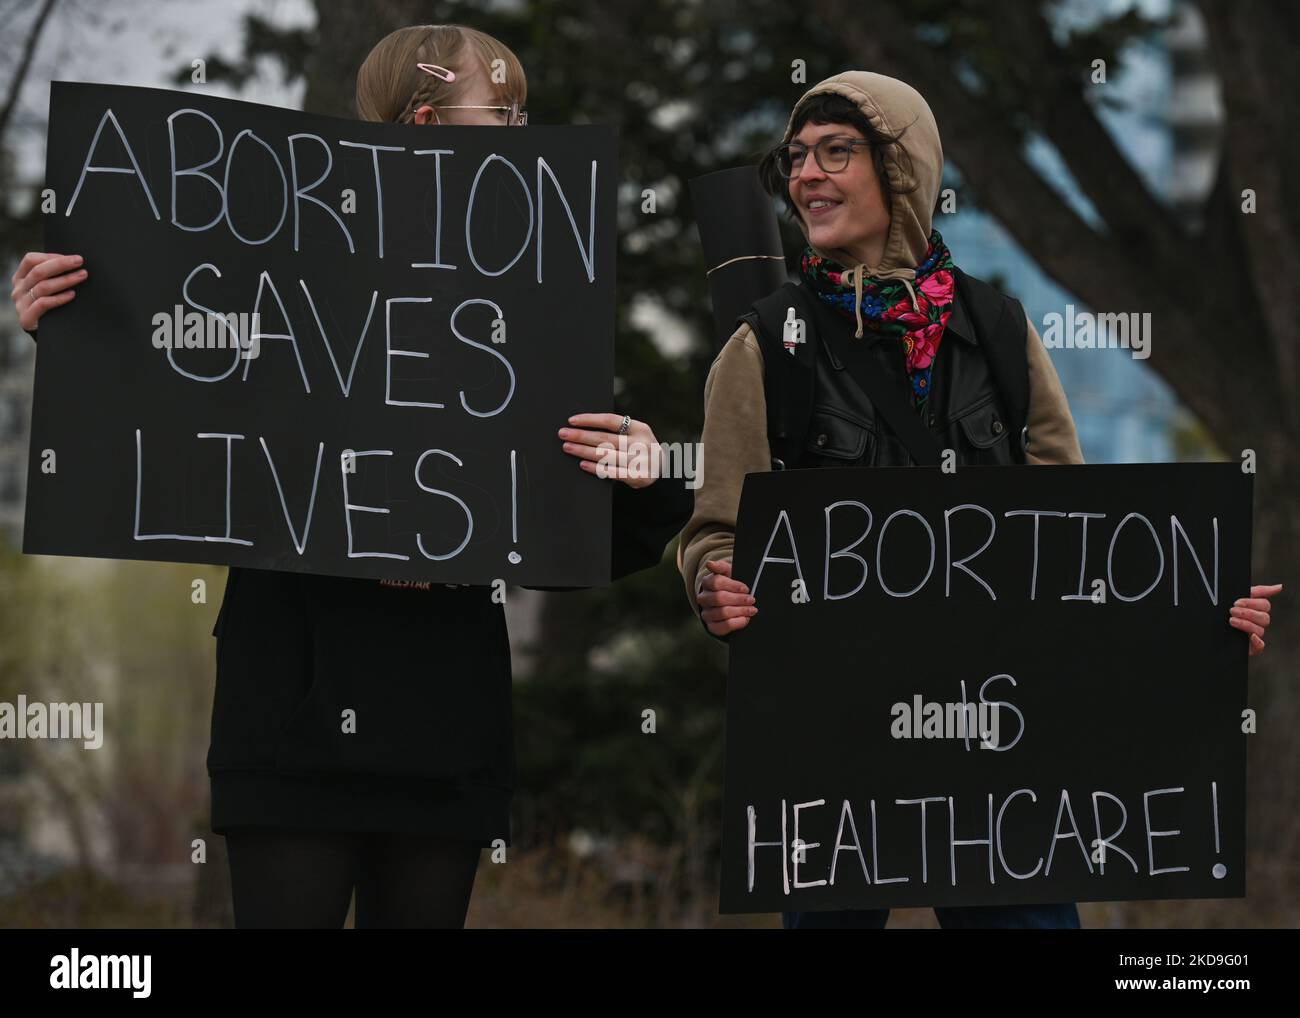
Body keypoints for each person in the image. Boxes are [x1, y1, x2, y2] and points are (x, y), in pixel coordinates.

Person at [11, 24, 691, 928]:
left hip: (443, 724)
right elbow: (169, 402)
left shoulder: (523, 292)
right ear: (429, 119)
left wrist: (644, 478)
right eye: (506, 111)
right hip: (293, 716)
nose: (525, 133)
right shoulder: (266, 260)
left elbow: (562, 532)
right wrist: (68, 334)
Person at [676, 70, 1282, 930]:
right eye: (796, 157)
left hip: (1001, 736)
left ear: (903, 170)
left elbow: (1079, 540)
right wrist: (717, 581)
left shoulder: (998, 329)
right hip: (834, 737)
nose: (807, 174)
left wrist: (1192, 618)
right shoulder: (763, 344)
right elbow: (716, 530)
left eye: (836, 152)